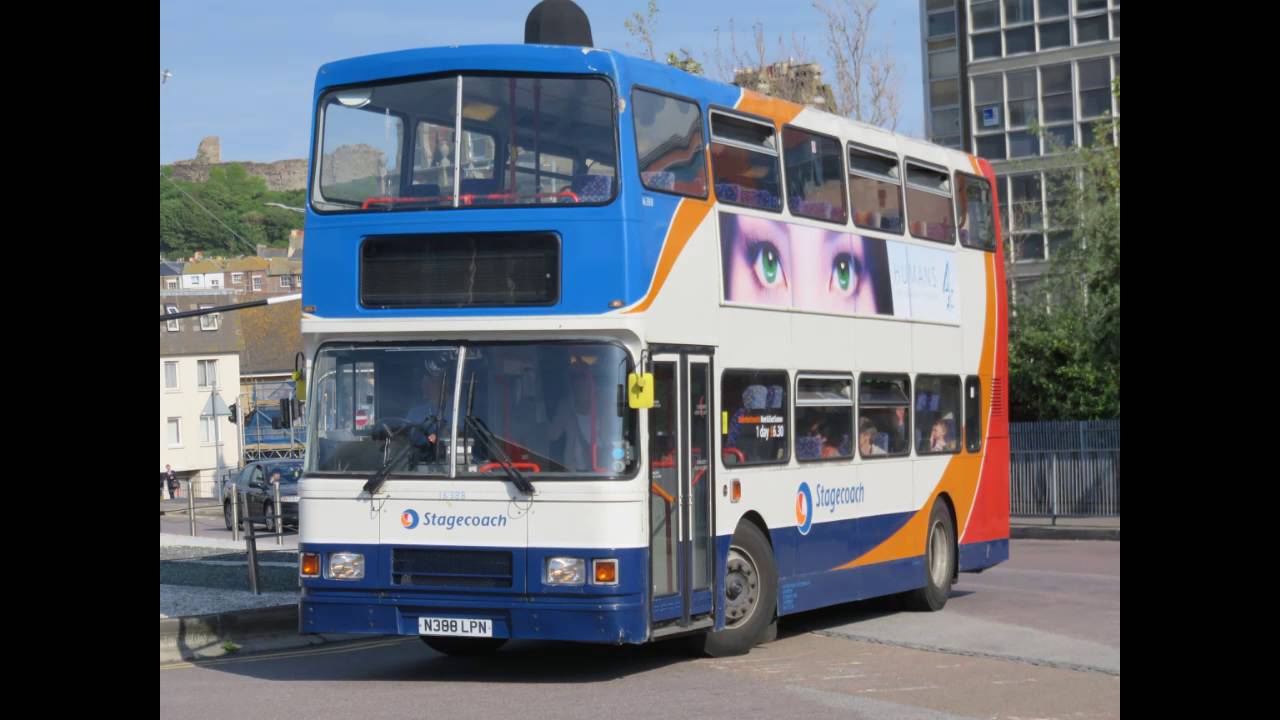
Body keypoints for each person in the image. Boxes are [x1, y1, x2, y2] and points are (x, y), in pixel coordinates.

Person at [547, 368, 603, 472]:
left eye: (585, 385)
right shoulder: (566, 407)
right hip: (573, 470)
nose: (580, 389)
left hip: (601, 469)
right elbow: (553, 435)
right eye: (577, 385)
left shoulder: (603, 407)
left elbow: (612, 441)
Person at [406, 367, 448, 462]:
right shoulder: (414, 413)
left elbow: (460, 436)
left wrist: (441, 437)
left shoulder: (457, 410)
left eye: (427, 383)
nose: (422, 386)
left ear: (440, 384)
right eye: (423, 383)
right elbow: (406, 441)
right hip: (417, 463)